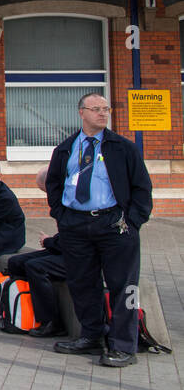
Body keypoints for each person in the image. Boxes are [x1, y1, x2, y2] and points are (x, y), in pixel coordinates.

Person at [45, 92, 152, 367]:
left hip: (115, 225)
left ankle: (124, 345)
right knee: (82, 284)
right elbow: (54, 184)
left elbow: (142, 188)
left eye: (106, 109)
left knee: (124, 286)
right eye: (96, 109)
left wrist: (133, 222)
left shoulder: (123, 148)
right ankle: (91, 336)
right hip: (76, 225)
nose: (103, 114)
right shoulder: (66, 149)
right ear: (81, 113)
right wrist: (61, 217)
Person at [6, 234, 68, 338]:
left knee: (35, 267)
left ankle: (51, 322)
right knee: (15, 262)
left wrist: (48, 241)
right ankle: (20, 314)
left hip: (76, 257)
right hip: (61, 248)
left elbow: (73, 242)